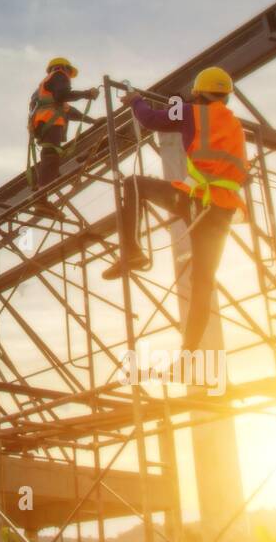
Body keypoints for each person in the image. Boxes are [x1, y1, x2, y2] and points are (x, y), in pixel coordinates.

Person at [101, 66, 248, 351]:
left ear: (198, 92)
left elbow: (152, 120)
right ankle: (188, 354)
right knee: (203, 283)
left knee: (133, 183)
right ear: (226, 97)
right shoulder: (235, 126)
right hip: (223, 211)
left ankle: (132, 252)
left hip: (195, 200)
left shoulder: (191, 111)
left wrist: (135, 101)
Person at [28, 58, 100, 214]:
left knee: (50, 155)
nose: (68, 76)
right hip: (49, 121)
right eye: (69, 71)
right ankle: (41, 198)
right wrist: (87, 94)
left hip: (42, 124)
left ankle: (42, 194)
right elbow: (64, 95)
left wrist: (92, 121)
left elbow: (68, 110)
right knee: (51, 155)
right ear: (62, 67)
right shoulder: (59, 75)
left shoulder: (44, 91)